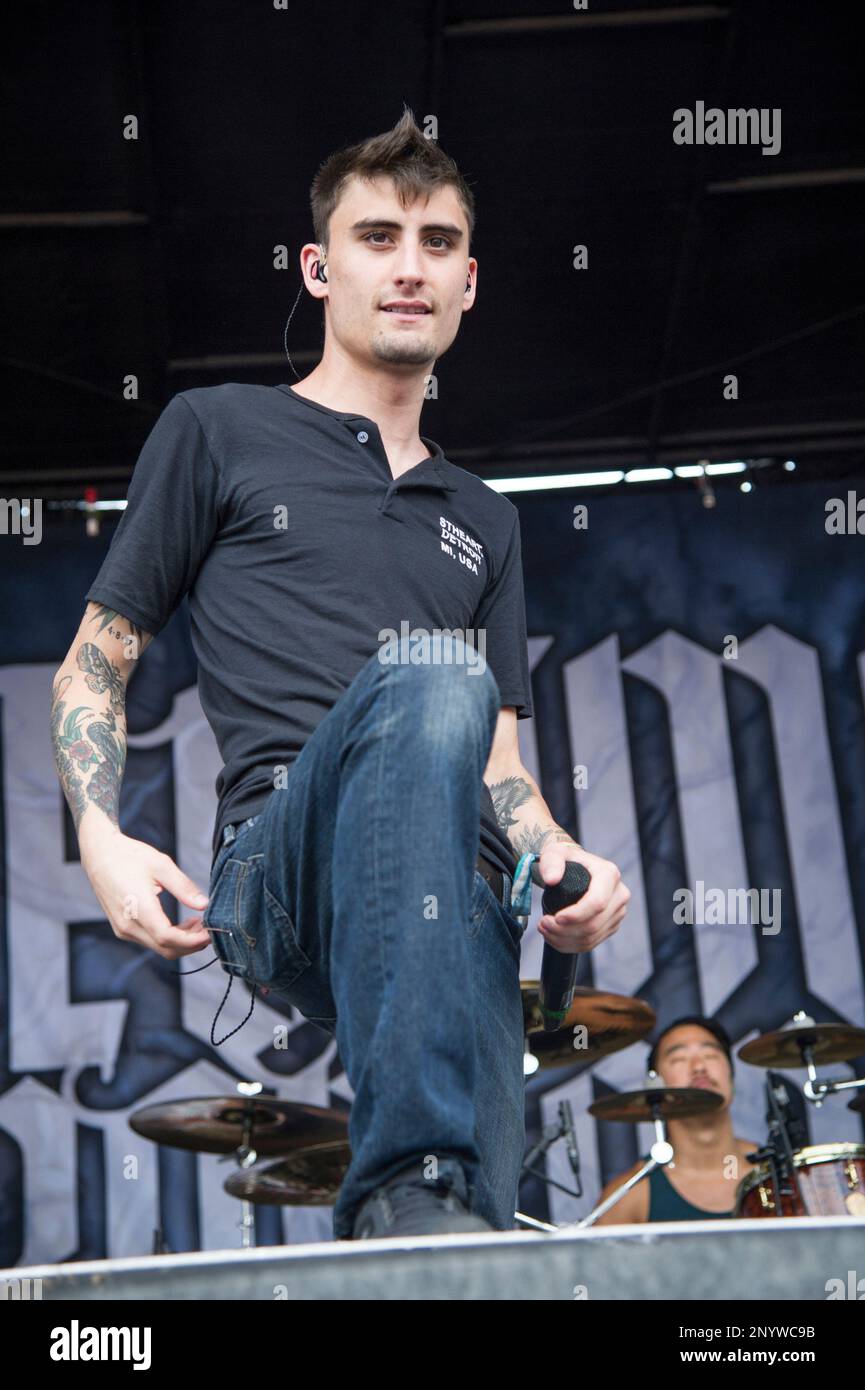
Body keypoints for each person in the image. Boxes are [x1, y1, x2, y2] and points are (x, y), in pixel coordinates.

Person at [50, 107, 629, 1242]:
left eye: (437, 244)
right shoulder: (216, 430)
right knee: (432, 678)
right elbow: (92, 667)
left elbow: (501, 768)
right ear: (319, 268)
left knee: (474, 1237)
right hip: (282, 871)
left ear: (471, 280)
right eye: (378, 238)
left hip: (452, 893)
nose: (409, 268)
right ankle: (403, 1170)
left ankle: (429, 1220)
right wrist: (99, 836)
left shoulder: (486, 520)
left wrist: (562, 861)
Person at [593, 1017, 759, 1223]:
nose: (699, 1066)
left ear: (732, 1081)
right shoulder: (631, 1195)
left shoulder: (781, 1172)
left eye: (710, 1055)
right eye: (679, 1058)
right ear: (656, 1090)